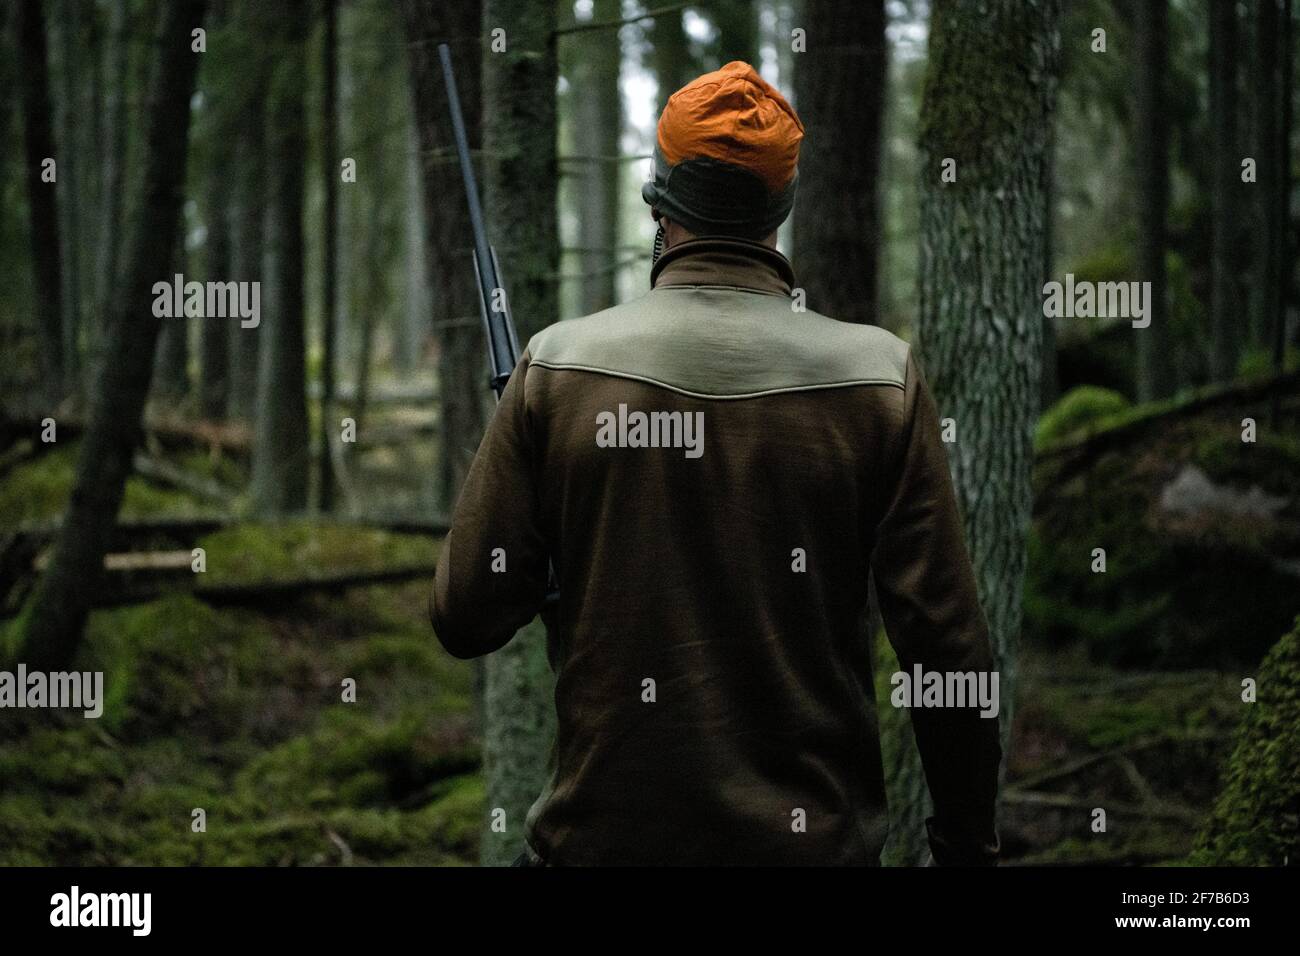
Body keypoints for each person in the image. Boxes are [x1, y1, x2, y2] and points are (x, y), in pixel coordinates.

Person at [430, 61, 1001, 866]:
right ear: (782, 206)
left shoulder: (558, 367)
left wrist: (547, 543)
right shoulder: (880, 378)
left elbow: (463, 616)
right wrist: (968, 846)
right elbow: (947, 652)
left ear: (658, 202)